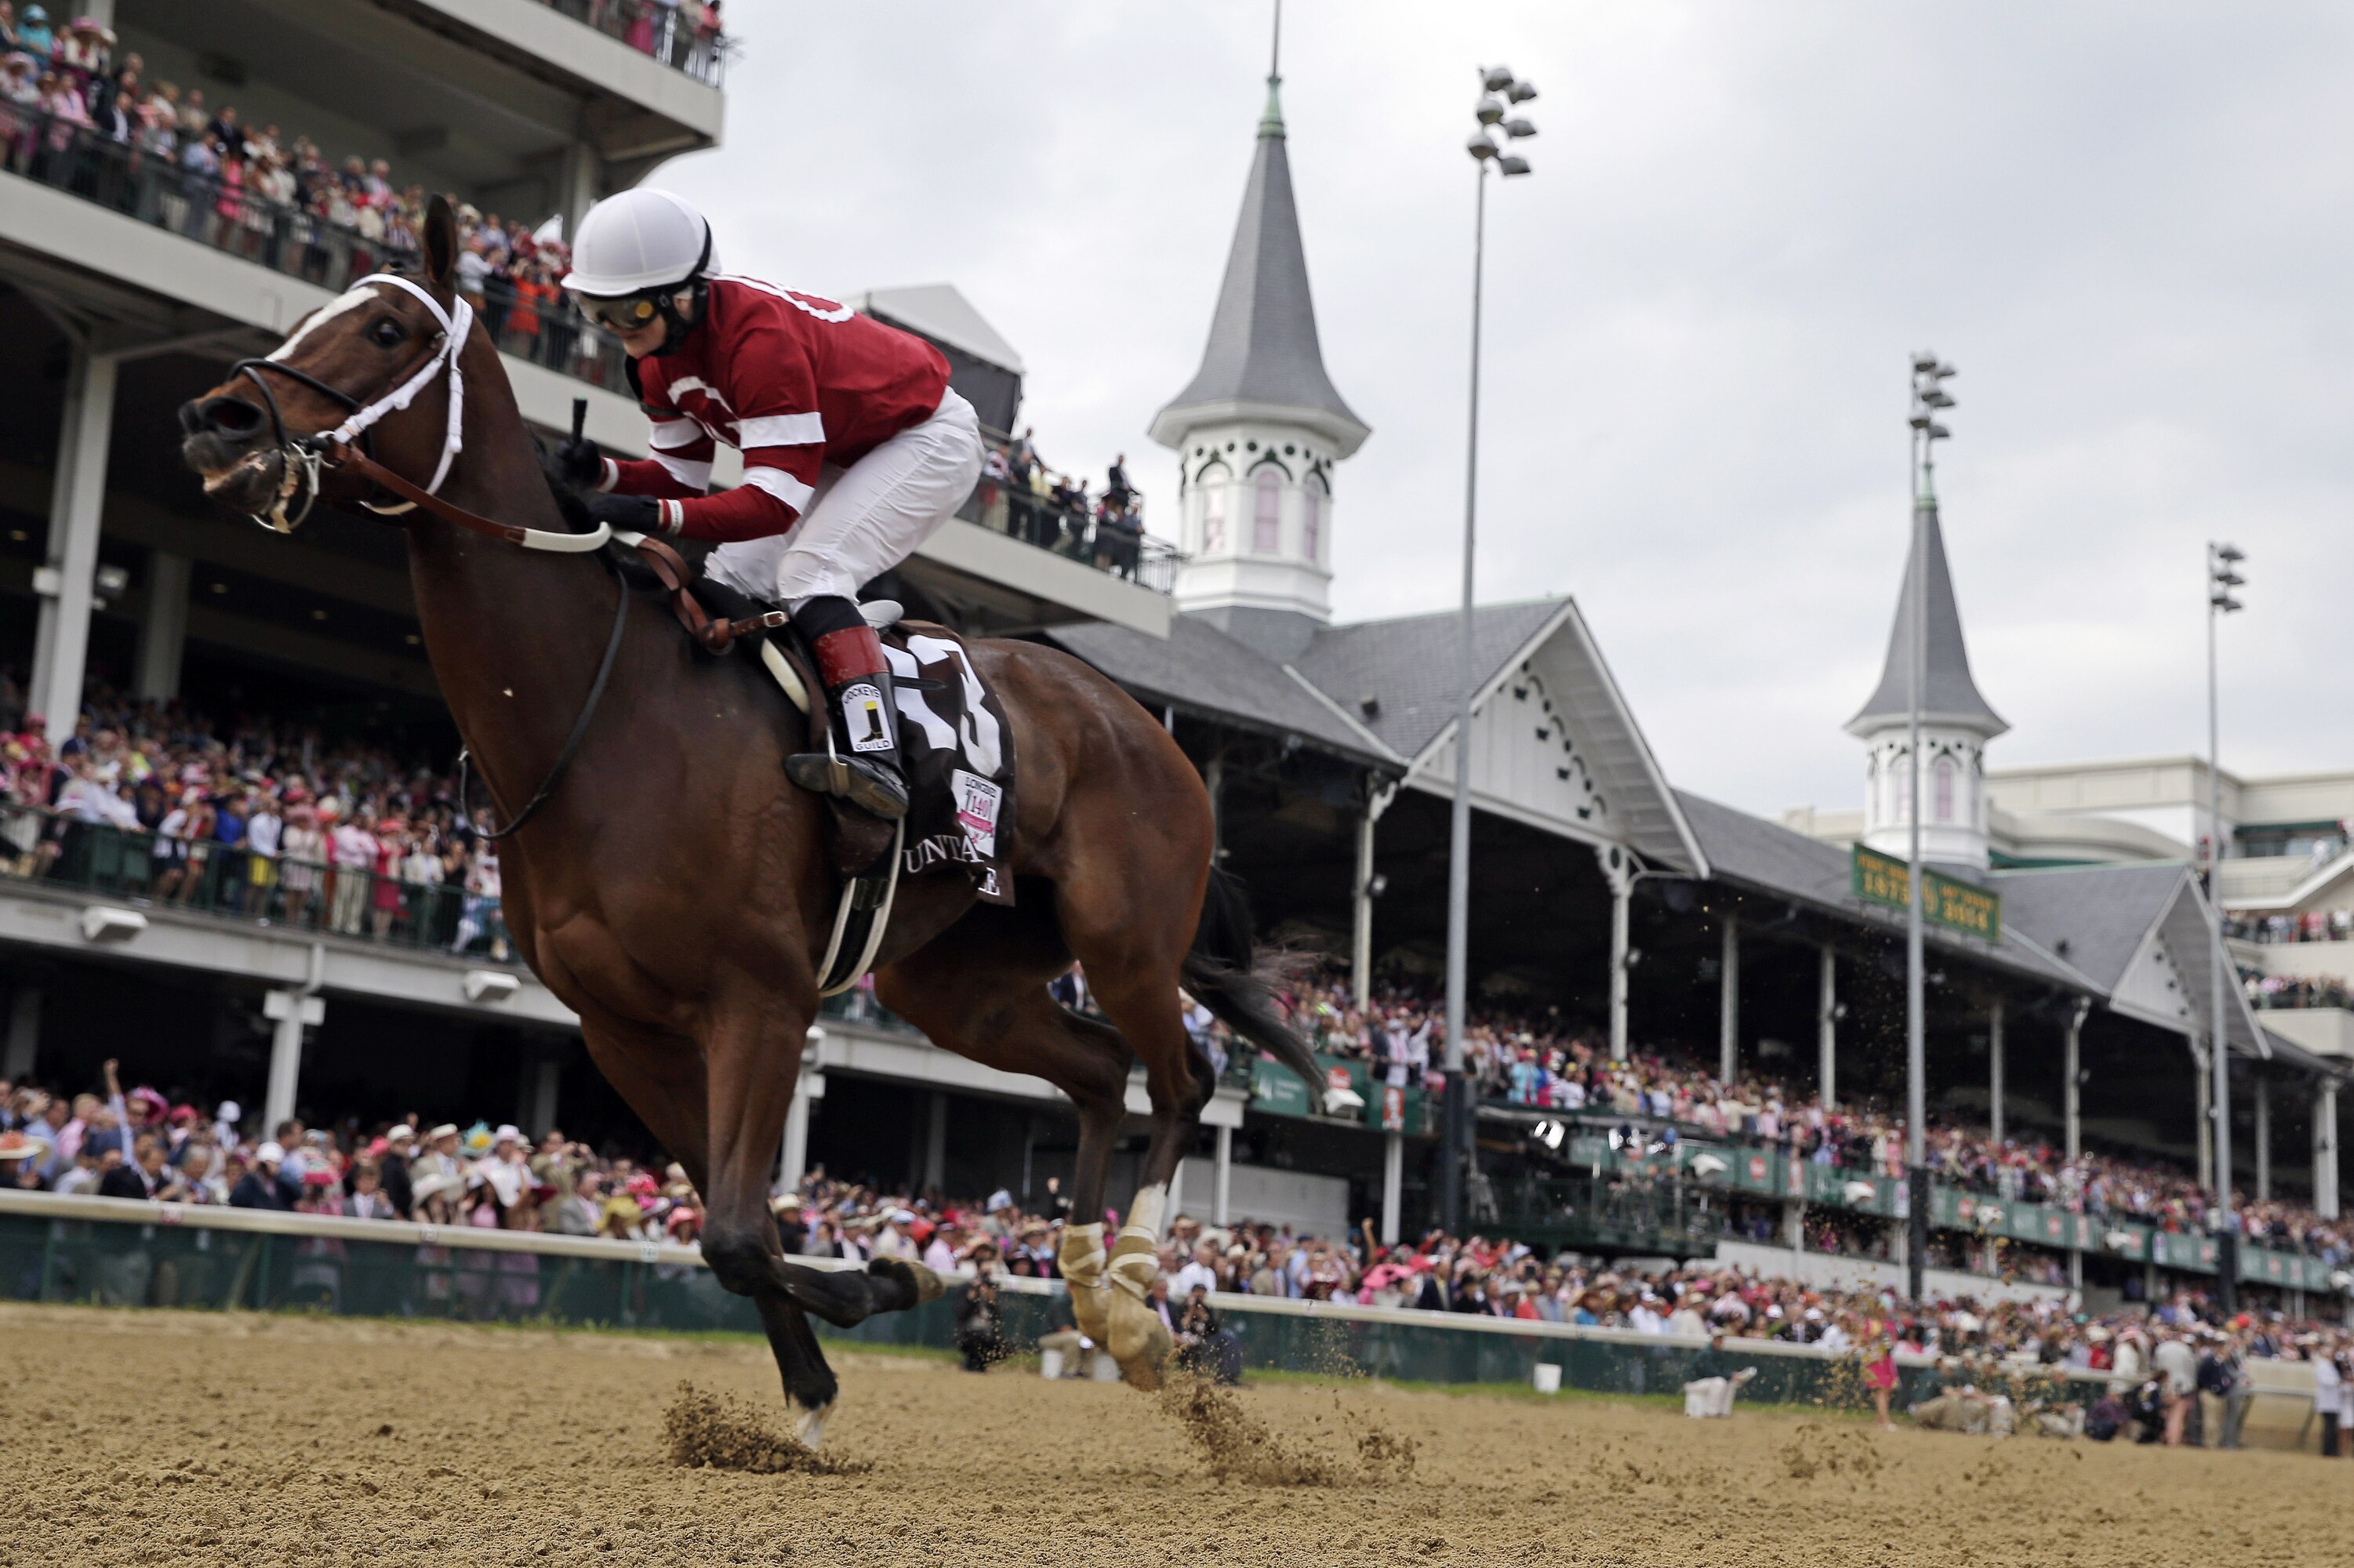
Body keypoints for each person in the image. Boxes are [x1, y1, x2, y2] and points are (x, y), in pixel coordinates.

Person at [550, 187, 983, 831]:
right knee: (723, 583)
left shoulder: (757, 341)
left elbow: (773, 504)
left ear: (685, 293)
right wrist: (605, 474)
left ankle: (877, 756)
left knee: (811, 573)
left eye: (632, 309)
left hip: (922, 437)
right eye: (597, 310)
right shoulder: (655, 362)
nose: (618, 331)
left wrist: (648, 513)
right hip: (840, 448)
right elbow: (679, 477)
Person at [954, 1251, 1004, 1372]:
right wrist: (971, 1299)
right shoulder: (967, 1288)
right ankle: (971, 1363)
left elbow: (998, 1318)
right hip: (969, 1331)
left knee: (1002, 1344)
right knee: (976, 1337)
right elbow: (961, 1314)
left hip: (987, 1331)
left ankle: (982, 1363)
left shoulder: (992, 1290)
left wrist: (991, 1302)